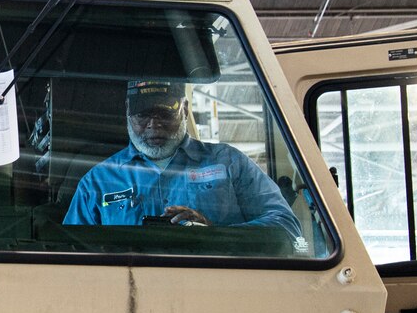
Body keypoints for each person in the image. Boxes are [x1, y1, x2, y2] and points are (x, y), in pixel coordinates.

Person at [64, 80, 302, 237]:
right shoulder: (97, 182)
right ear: (127, 111)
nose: (154, 125)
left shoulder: (229, 163)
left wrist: (214, 234)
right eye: (143, 115)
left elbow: (286, 227)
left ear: (185, 109)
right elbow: (68, 252)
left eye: (165, 113)